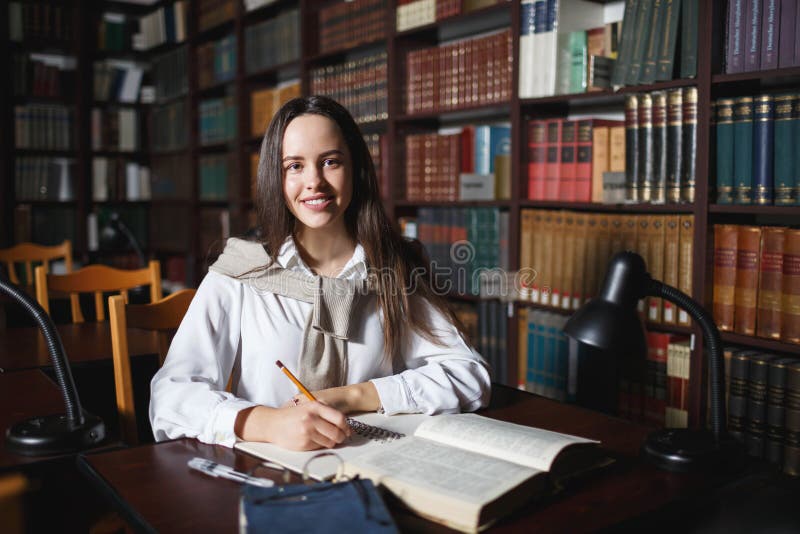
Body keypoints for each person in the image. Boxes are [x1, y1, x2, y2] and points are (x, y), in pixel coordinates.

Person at [149, 95, 491, 451]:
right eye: (294, 166)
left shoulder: (391, 269)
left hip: (376, 463)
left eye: (330, 162)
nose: (314, 181)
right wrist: (267, 423)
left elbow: (469, 375)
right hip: (270, 471)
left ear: (355, 168)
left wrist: (353, 396)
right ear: (275, 178)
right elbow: (170, 398)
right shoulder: (240, 273)